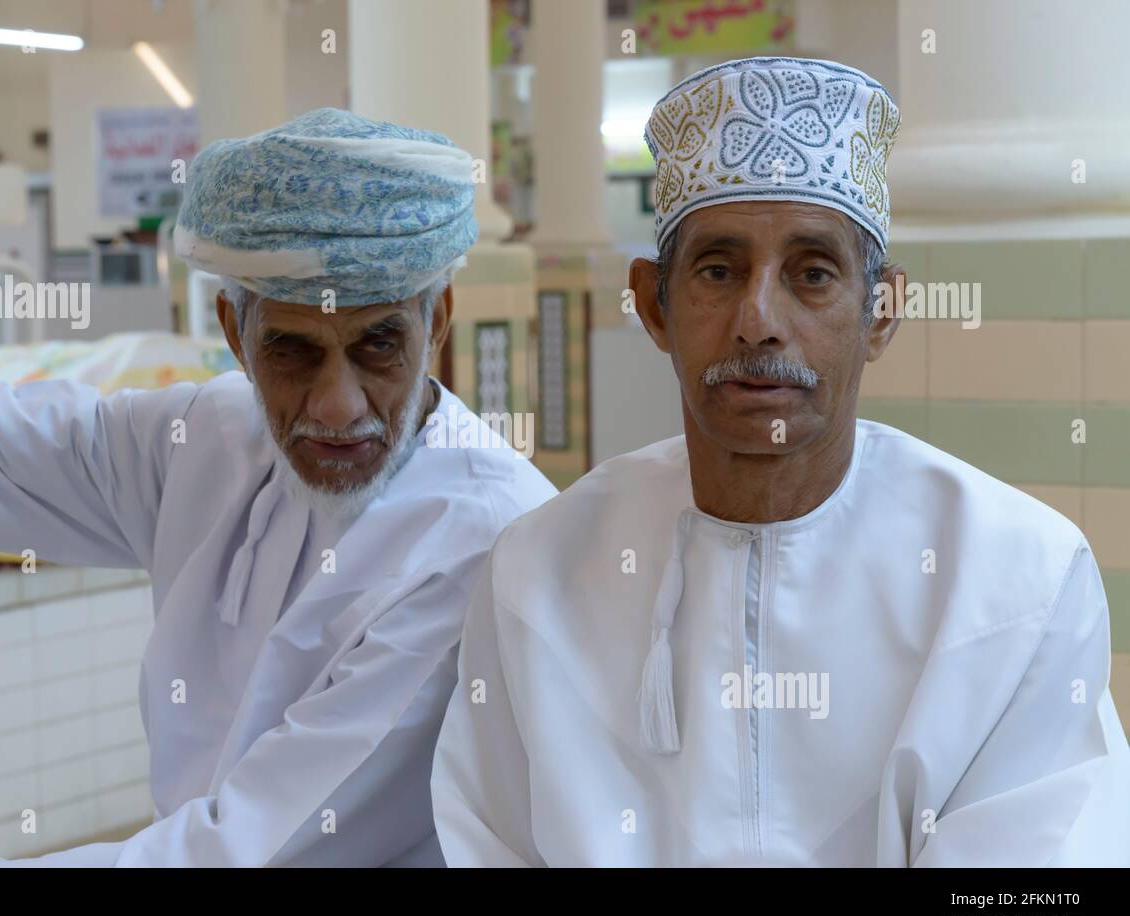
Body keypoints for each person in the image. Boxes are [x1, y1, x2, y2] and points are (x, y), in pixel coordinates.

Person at [430, 57, 1130, 866]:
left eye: (813, 273)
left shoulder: (1015, 581)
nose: (759, 319)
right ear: (655, 306)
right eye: (719, 270)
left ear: (881, 310)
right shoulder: (538, 575)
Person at [0, 108, 555, 866]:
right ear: (234, 334)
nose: (337, 404)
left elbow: (247, 848)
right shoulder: (210, 438)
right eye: (293, 351)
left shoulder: (483, 541)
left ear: (436, 321)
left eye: (378, 344)